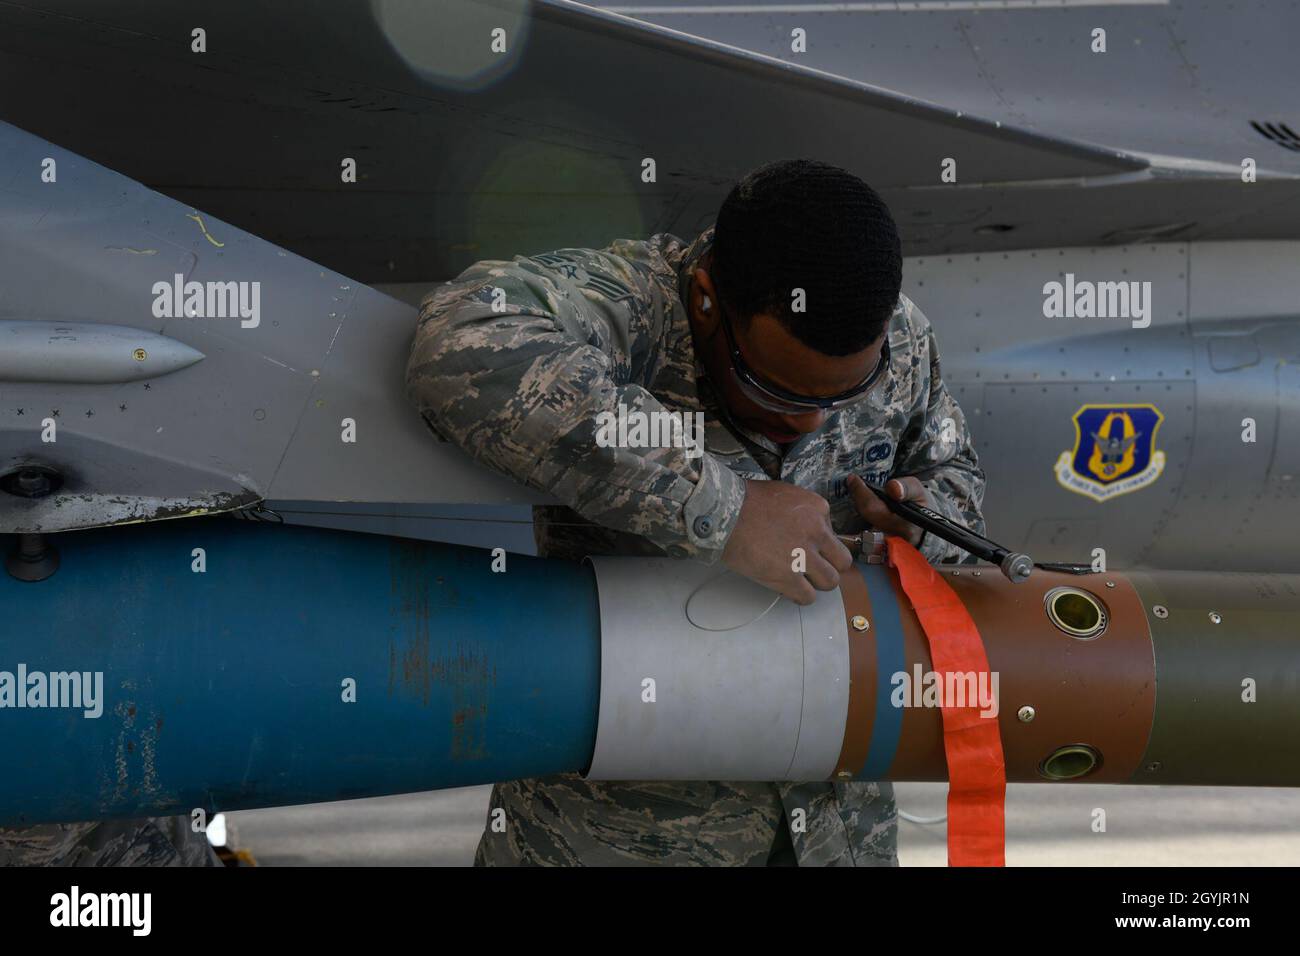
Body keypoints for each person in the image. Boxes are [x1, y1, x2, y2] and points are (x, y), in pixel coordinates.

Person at [405, 158, 985, 866]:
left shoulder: (899, 336)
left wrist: (925, 520)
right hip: (622, 834)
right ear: (708, 303)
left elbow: (951, 472)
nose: (808, 427)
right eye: (774, 390)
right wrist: (725, 508)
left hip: (837, 830)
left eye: (841, 399)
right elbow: (462, 342)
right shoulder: (637, 305)